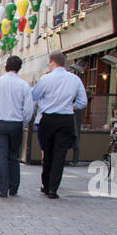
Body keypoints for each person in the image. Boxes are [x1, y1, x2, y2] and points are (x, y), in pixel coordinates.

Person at [30, 50, 87, 199]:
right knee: (59, 155)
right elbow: (82, 102)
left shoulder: (46, 79)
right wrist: (70, 106)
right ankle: (53, 188)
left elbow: (34, 95)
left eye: (49, 62)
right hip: (66, 119)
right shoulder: (74, 79)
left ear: (53, 62)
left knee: (47, 152)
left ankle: (46, 183)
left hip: (48, 119)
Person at [0, 55, 35, 198]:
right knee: (13, 157)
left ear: (6, 66)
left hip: (0, 123)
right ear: (19, 68)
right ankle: (14, 187)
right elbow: (28, 109)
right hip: (16, 124)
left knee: (1, 157)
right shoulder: (24, 85)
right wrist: (23, 122)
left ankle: (3, 189)